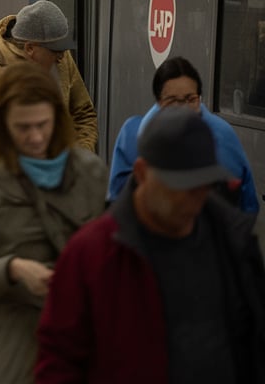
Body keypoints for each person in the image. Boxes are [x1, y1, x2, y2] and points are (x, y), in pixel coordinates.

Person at [37, 106, 265, 383]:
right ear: (142, 173)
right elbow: (58, 361)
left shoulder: (233, 241)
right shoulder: (91, 255)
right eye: (178, 186)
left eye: (201, 185)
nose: (191, 199)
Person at [0, 62, 106, 384]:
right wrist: (12, 270)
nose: (35, 137)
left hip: (77, 341)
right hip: (5, 350)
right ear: (2, 126)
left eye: (42, 125)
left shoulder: (89, 173)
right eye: (22, 128)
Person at [0, 0, 97, 204]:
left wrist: (76, 159)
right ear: (30, 48)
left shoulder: (59, 58)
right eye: (56, 52)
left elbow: (84, 113)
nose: (63, 57)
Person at [108, 56, 258, 213]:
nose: (182, 109)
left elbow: (245, 204)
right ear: (158, 101)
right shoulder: (131, 135)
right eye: (172, 100)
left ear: (199, 99)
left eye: (190, 99)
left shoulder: (223, 138)